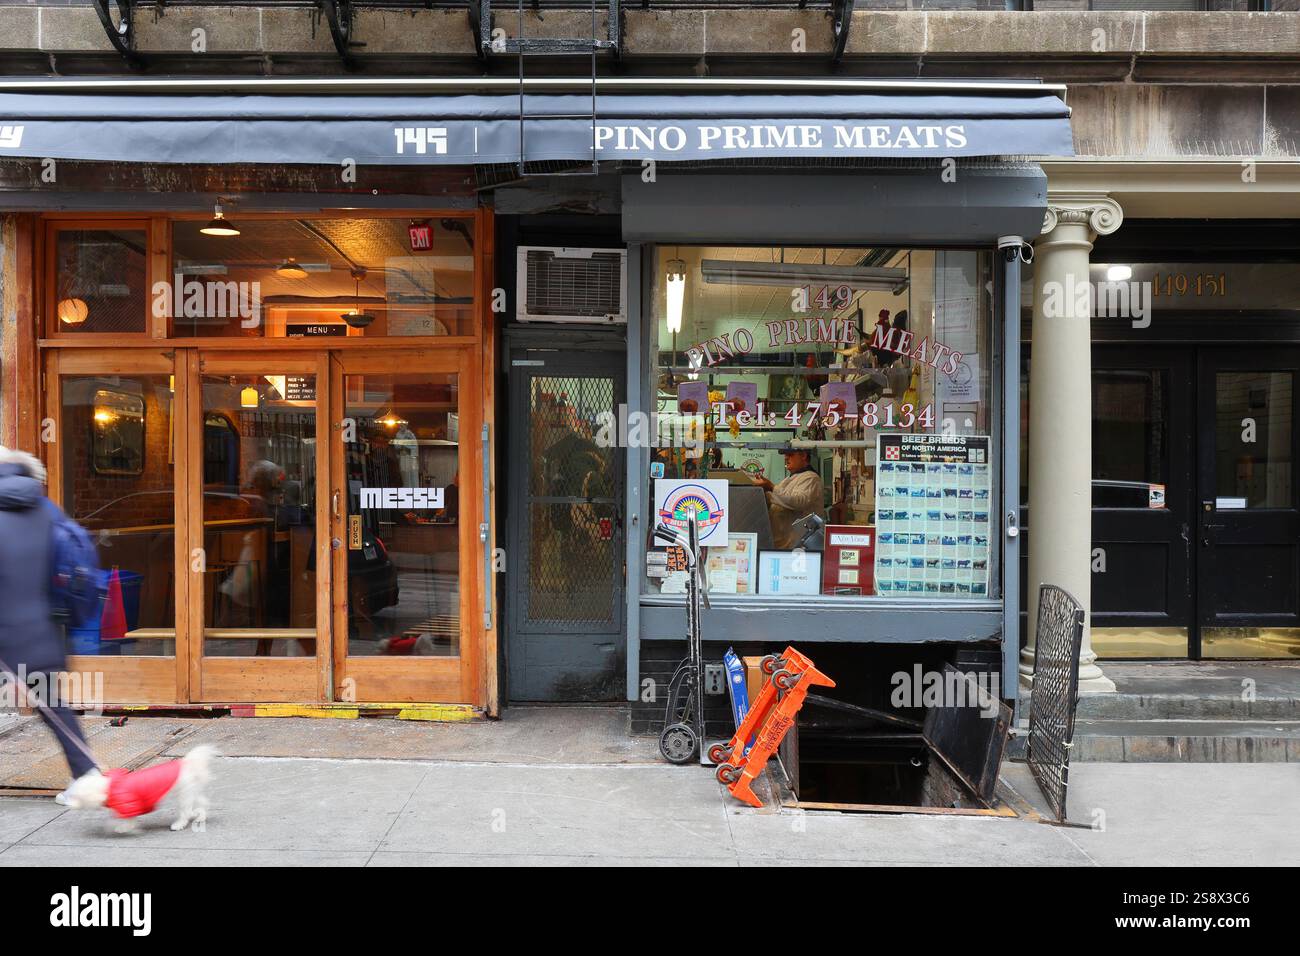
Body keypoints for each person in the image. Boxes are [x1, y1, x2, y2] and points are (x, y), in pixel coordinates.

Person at [0, 446, 98, 786]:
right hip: (42, 632)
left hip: (4, 634)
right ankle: (88, 778)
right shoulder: (49, 511)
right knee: (55, 708)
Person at [750, 447, 825, 549]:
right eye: (785, 455)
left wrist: (771, 487)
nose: (786, 457)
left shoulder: (811, 478)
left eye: (790, 455)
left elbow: (799, 501)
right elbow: (778, 499)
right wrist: (763, 491)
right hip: (784, 544)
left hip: (798, 546)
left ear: (803, 456)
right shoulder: (789, 479)